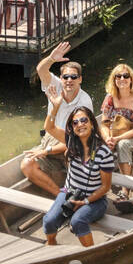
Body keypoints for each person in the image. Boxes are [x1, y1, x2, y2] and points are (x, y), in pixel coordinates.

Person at [20, 41, 93, 196]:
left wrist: (46, 151)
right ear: (61, 78)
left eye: (74, 77)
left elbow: (75, 141)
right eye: (66, 77)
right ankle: (60, 196)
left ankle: (80, 192)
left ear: (80, 79)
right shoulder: (55, 86)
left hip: (73, 144)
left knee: (77, 158)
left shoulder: (84, 102)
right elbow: (41, 69)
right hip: (51, 139)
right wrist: (52, 59)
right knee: (27, 164)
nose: (69, 80)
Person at [41, 103, 115, 247]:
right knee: (49, 221)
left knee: (77, 221)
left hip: (95, 200)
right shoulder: (71, 141)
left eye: (84, 120)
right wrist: (55, 107)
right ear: (72, 128)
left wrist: (85, 201)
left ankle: (91, 254)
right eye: (75, 122)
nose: (80, 124)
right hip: (70, 193)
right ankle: (51, 245)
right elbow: (49, 128)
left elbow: (106, 187)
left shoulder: (103, 152)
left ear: (92, 124)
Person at [98, 63, 133, 201]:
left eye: (126, 76)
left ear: (131, 79)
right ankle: (96, 184)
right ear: (114, 79)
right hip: (114, 134)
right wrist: (108, 138)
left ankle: (125, 188)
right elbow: (104, 124)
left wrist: (116, 139)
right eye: (118, 76)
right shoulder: (110, 98)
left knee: (123, 145)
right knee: (96, 145)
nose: (122, 78)